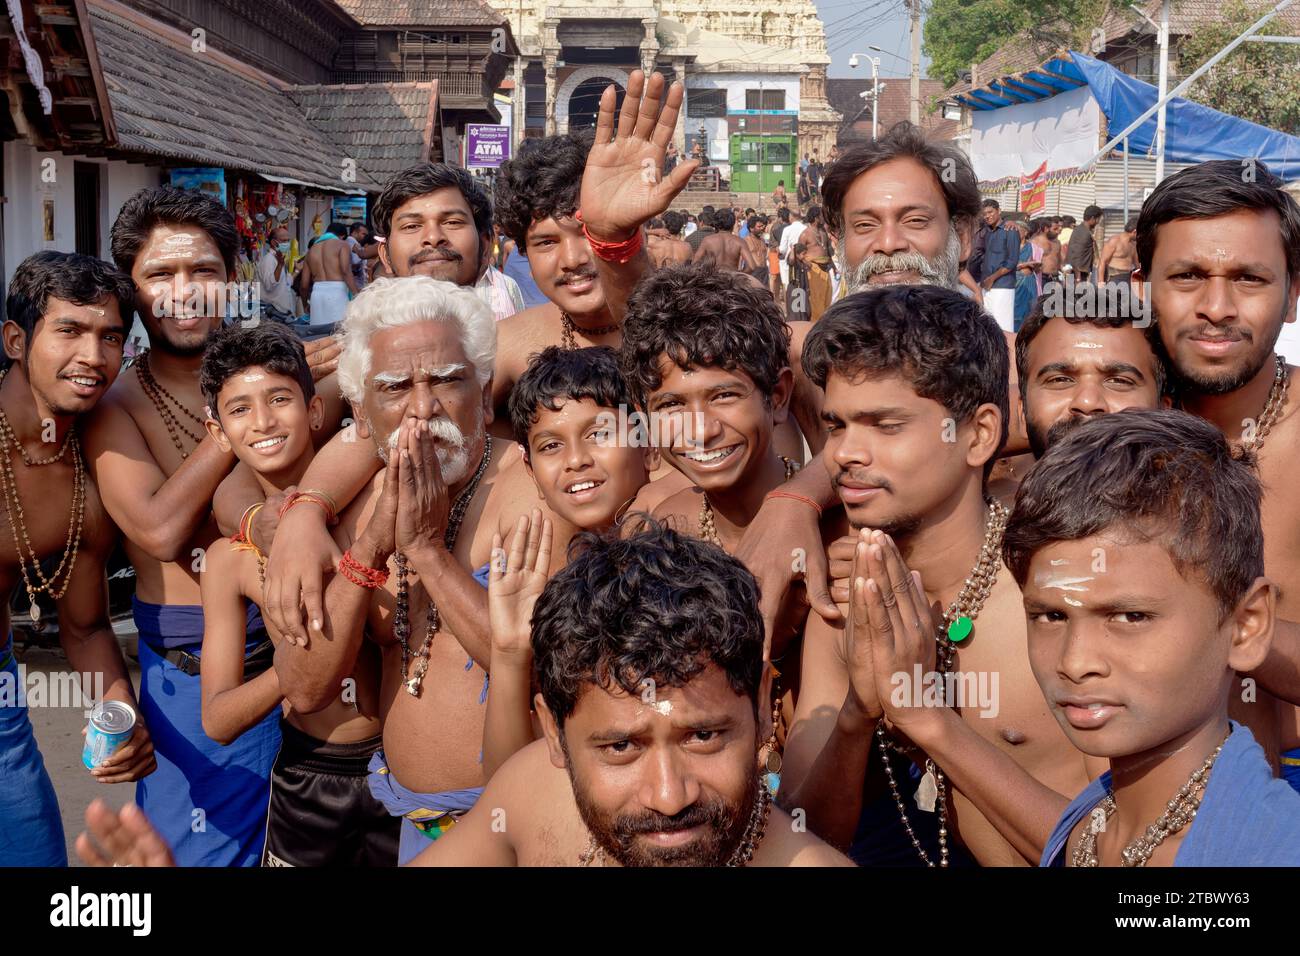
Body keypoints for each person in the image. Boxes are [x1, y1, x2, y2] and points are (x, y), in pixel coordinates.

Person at [77, 523, 853, 868]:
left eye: (704, 737)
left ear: (759, 706)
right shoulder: (531, 799)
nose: (669, 793)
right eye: (619, 745)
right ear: (550, 733)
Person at [780, 286, 1096, 867]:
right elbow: (802, 837)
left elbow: (1124, 855)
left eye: (884, 425)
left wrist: (927, 720)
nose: (847, 453)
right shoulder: (849, 599)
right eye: (837, 427)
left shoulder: (1062, 595)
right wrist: (859, 714)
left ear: (976, 435)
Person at [271, 276, 558, 865]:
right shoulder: (356, 503)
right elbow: (304, 687)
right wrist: (373, 543)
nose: (423, 409)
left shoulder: (531, 491)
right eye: (396, 387)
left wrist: (427, 552)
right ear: (361, 414)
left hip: (520, 824)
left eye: (448, 382)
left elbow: (539, 671)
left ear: (483, 398)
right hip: (409, 822)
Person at [1002, 410, 1300, 866]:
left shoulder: (1272, 849)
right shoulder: (1089, 829)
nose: (1075, 661)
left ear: (1246, 625)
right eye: (1050, 616)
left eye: (1131, 616)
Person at [85, 186, 279, 866]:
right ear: (132, 290)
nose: (185, 291)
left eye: (203, 271)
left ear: (232, 278)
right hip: (191, 683)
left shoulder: (276, 373)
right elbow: (159, 532)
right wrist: (231, 431)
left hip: (311, 657)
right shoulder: (115, 407)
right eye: (160, 274)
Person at [196, 322, 398, 866]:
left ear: (314, 411)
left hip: (400, 768)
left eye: (279, 399)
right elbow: (217, 718)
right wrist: (298, 672)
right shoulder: (227, 560)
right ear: (219, 434)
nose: (262, 422)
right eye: (239, 410)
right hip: (309, 775)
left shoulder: (369, 502)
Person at [1133, 159, 1300, 789]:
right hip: (1124, 788)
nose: (1216, 308)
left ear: (1292, 294)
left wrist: (1213, 625)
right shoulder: (1104, 408)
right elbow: (923, 419)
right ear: (1141, 286)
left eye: (1250, 279)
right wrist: (802, 493)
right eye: (1188, 277)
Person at [0, 251, 156, 866]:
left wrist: (121, 716)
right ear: (16, 339)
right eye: (70, 330)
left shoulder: (89, 482)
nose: (93, 356)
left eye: (110, 336)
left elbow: (86, 627)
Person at [303, 220, 358, 329]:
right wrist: (356, 295)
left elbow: (304, 284)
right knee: (339, 335)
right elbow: (345, 271)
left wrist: (305, 304)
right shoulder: (342, 245)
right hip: (337, 293)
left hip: (317, 294)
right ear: (342, 236)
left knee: (318, 335)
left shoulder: (311, 250)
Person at [980, 201, 1020, 332]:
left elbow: (1012, 261)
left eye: (990, 212)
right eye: (984, 214)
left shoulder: (1010, 230)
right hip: (986, 286)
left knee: (1003, 328)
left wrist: (992, 278)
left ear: (999, 211)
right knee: (988, 327)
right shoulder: (987, 231)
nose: (987, 216)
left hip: (1002, 286)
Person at [257, 225, 297, 322]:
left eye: (288, 241)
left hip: (283, 313)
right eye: (284, 241)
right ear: (273, 242)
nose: (287, 243)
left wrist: (297, 271)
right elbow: (270, 285)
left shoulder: (279, 259)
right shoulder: (269, 260)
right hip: (274, 315)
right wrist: (279, 265)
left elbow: (287, 283)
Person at [1012, 218, 1045, 331]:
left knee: (1029, 311)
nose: (1015, 233)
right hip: (1015, 282)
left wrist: (1036, 266)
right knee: (1015, 312)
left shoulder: (1034, 248)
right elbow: (1007, 265)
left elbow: (1038, 269)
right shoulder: (1010, 247)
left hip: (1029, 282)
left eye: (1018, 230)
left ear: (1026, 232)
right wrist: (1025, 264)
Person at [1065, 205, 1103, 282]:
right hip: (1078, 276)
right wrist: (1078, 278)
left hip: (1081, 274)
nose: (1098, 222)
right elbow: (1075, 256)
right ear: (1092, 218)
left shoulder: (1082, 230)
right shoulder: (1083, 233)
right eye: (1098, 219)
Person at [1098, 215, 1138, 285]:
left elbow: (1137, 265)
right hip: (1115, 278)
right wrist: (1101, 282)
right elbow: (1102, 262)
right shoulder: (1114, 241)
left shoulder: (1133, 245)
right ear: (1134, 231)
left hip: (1128, 278)